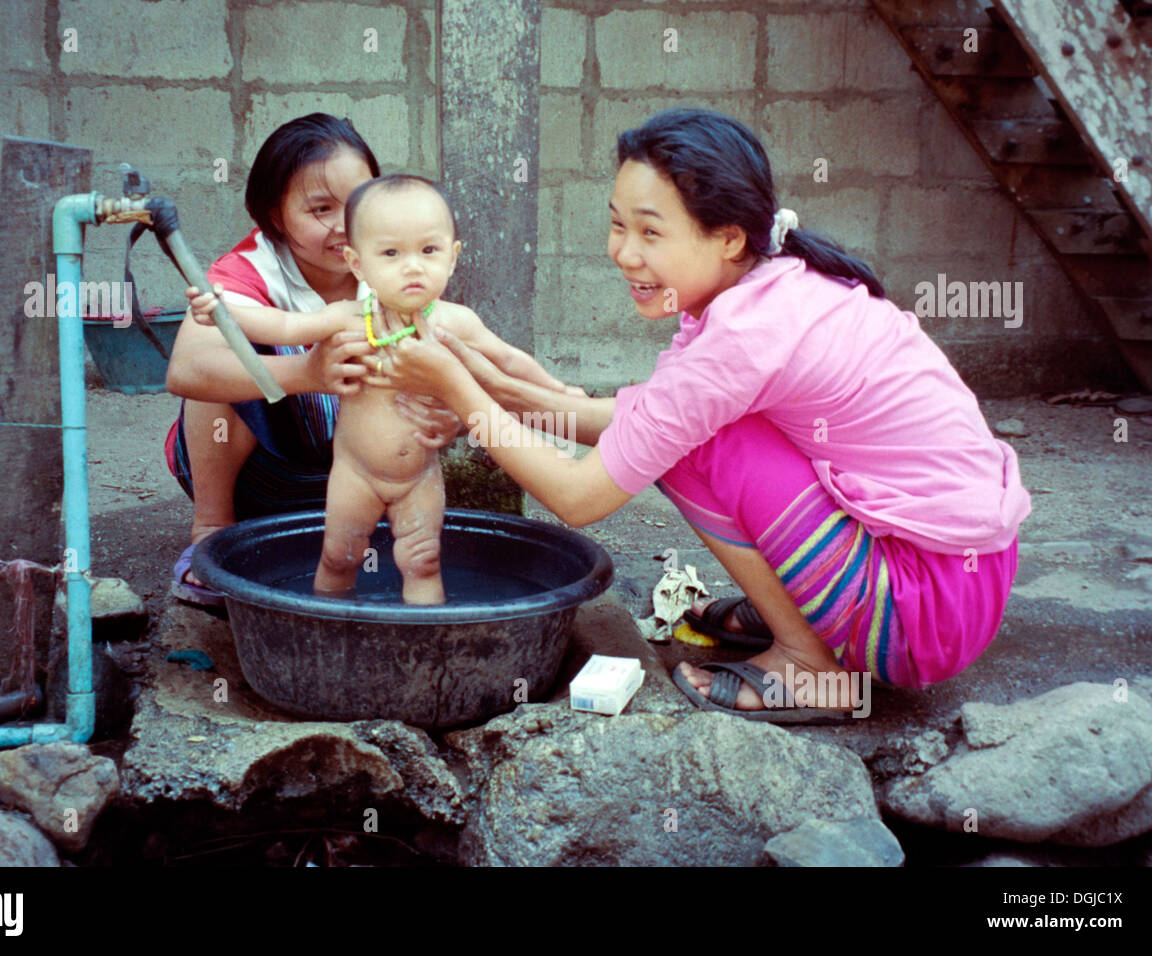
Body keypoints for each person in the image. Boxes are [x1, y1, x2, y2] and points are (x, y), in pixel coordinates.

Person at [370, 107, 1031, 720]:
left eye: (650, 232)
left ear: (728, 238)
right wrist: (499, 389)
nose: (622, 252)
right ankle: (799, 612)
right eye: (617, 223)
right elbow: (641, 418)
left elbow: (579, 496)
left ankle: (809, 664)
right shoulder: (770, 284)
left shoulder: (743, 338)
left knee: (700, 446)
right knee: (692, 436)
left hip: (921, 613)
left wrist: (462, 392)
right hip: (959, 582)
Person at [185, 174, 571, 603]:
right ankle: (325, 633)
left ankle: (425, 645)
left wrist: (560, 391)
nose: (412, 266)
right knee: (338, 558)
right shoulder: (350, 317)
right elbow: (284, 324)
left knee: (422, 561)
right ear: (357, 263)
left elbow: (509, 361)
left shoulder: (454, 322)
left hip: (419, 477)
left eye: (429, 250)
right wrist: (221, 310)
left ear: (453, 256)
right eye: (390, 253)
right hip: (355, 475)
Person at [164, 114, 462, 607]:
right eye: (321, 208)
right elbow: (185, 370)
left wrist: (450, 411)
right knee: (225, 361)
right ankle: (211, 532)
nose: (345, 225)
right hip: (264, 474)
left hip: (355, 473)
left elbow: (455, 355)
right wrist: (308, 372)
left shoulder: (394, 262)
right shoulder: (248, 270)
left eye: (358, 200)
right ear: (275, 216)